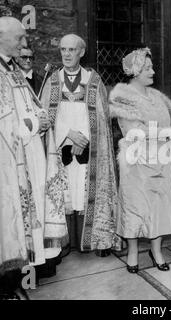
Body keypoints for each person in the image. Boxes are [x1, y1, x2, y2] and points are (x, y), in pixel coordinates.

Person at [0, 17, 67, 299]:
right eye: (19, 38)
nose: (24, 43)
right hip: (8, 159)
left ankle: (17, 279)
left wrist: (39, 117)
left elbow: (28, 105)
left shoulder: (13, 69)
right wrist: (31, 124)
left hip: (27, 155)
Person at [109, 47, 171, 273]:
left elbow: (165, 125)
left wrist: (169, 134)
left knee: (158, 208)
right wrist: (167, 133)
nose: (153, 71)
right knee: (135, 207)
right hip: (137, 161)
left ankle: (156, 251)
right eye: (147, 68)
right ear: (135, 72)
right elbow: (132, 130)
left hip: (161, 158)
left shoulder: (156, 97)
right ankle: (133, 252)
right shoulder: (123, 97)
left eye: (152, 66)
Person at [41, 34, 120, 256]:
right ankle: (65, 243)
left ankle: (96, 238)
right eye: (63, 50)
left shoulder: (93, 80)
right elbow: (46, 115)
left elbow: (103, 119)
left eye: (71, 50)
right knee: (66, 192)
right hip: (61, 149)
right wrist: (69, 135)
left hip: (89, 149)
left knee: (85, 191)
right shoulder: (52, 81)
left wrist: (83, 139)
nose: (66, 54)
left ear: (81, 52)